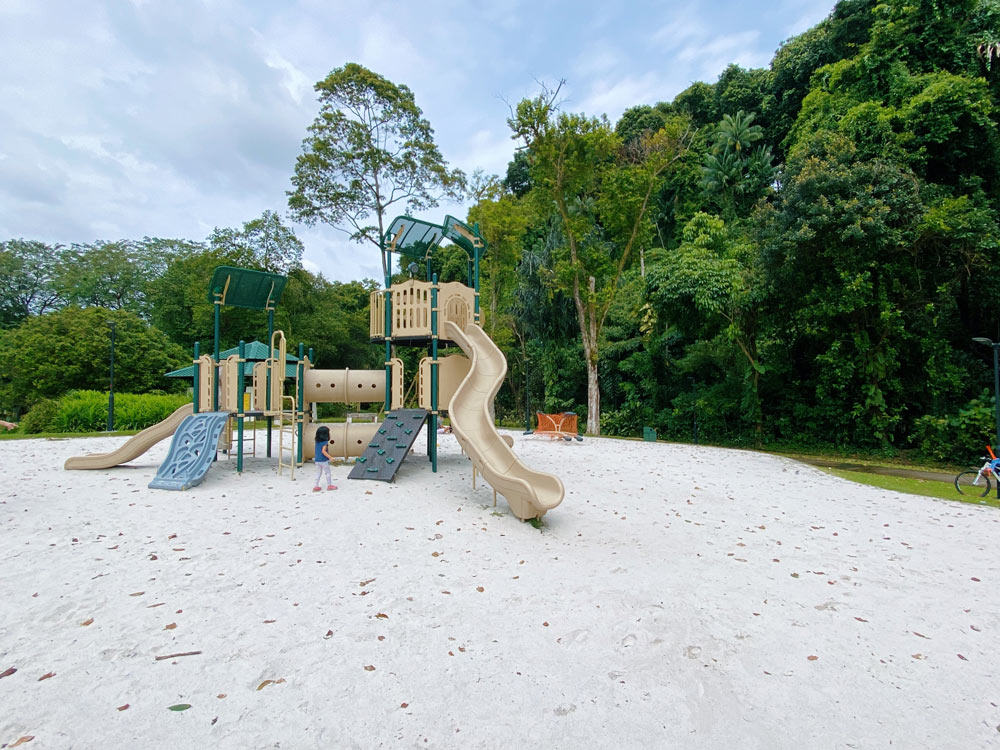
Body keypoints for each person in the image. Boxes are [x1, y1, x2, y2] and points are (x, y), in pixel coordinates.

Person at [312, 425, 337, 492]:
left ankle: (315, 486)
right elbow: (323, 451)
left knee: (318, 473)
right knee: (327, 472)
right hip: (323, 460)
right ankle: (329, 485)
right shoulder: (325, 443)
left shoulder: (317, 442)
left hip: (317, 460)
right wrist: (330, 457)